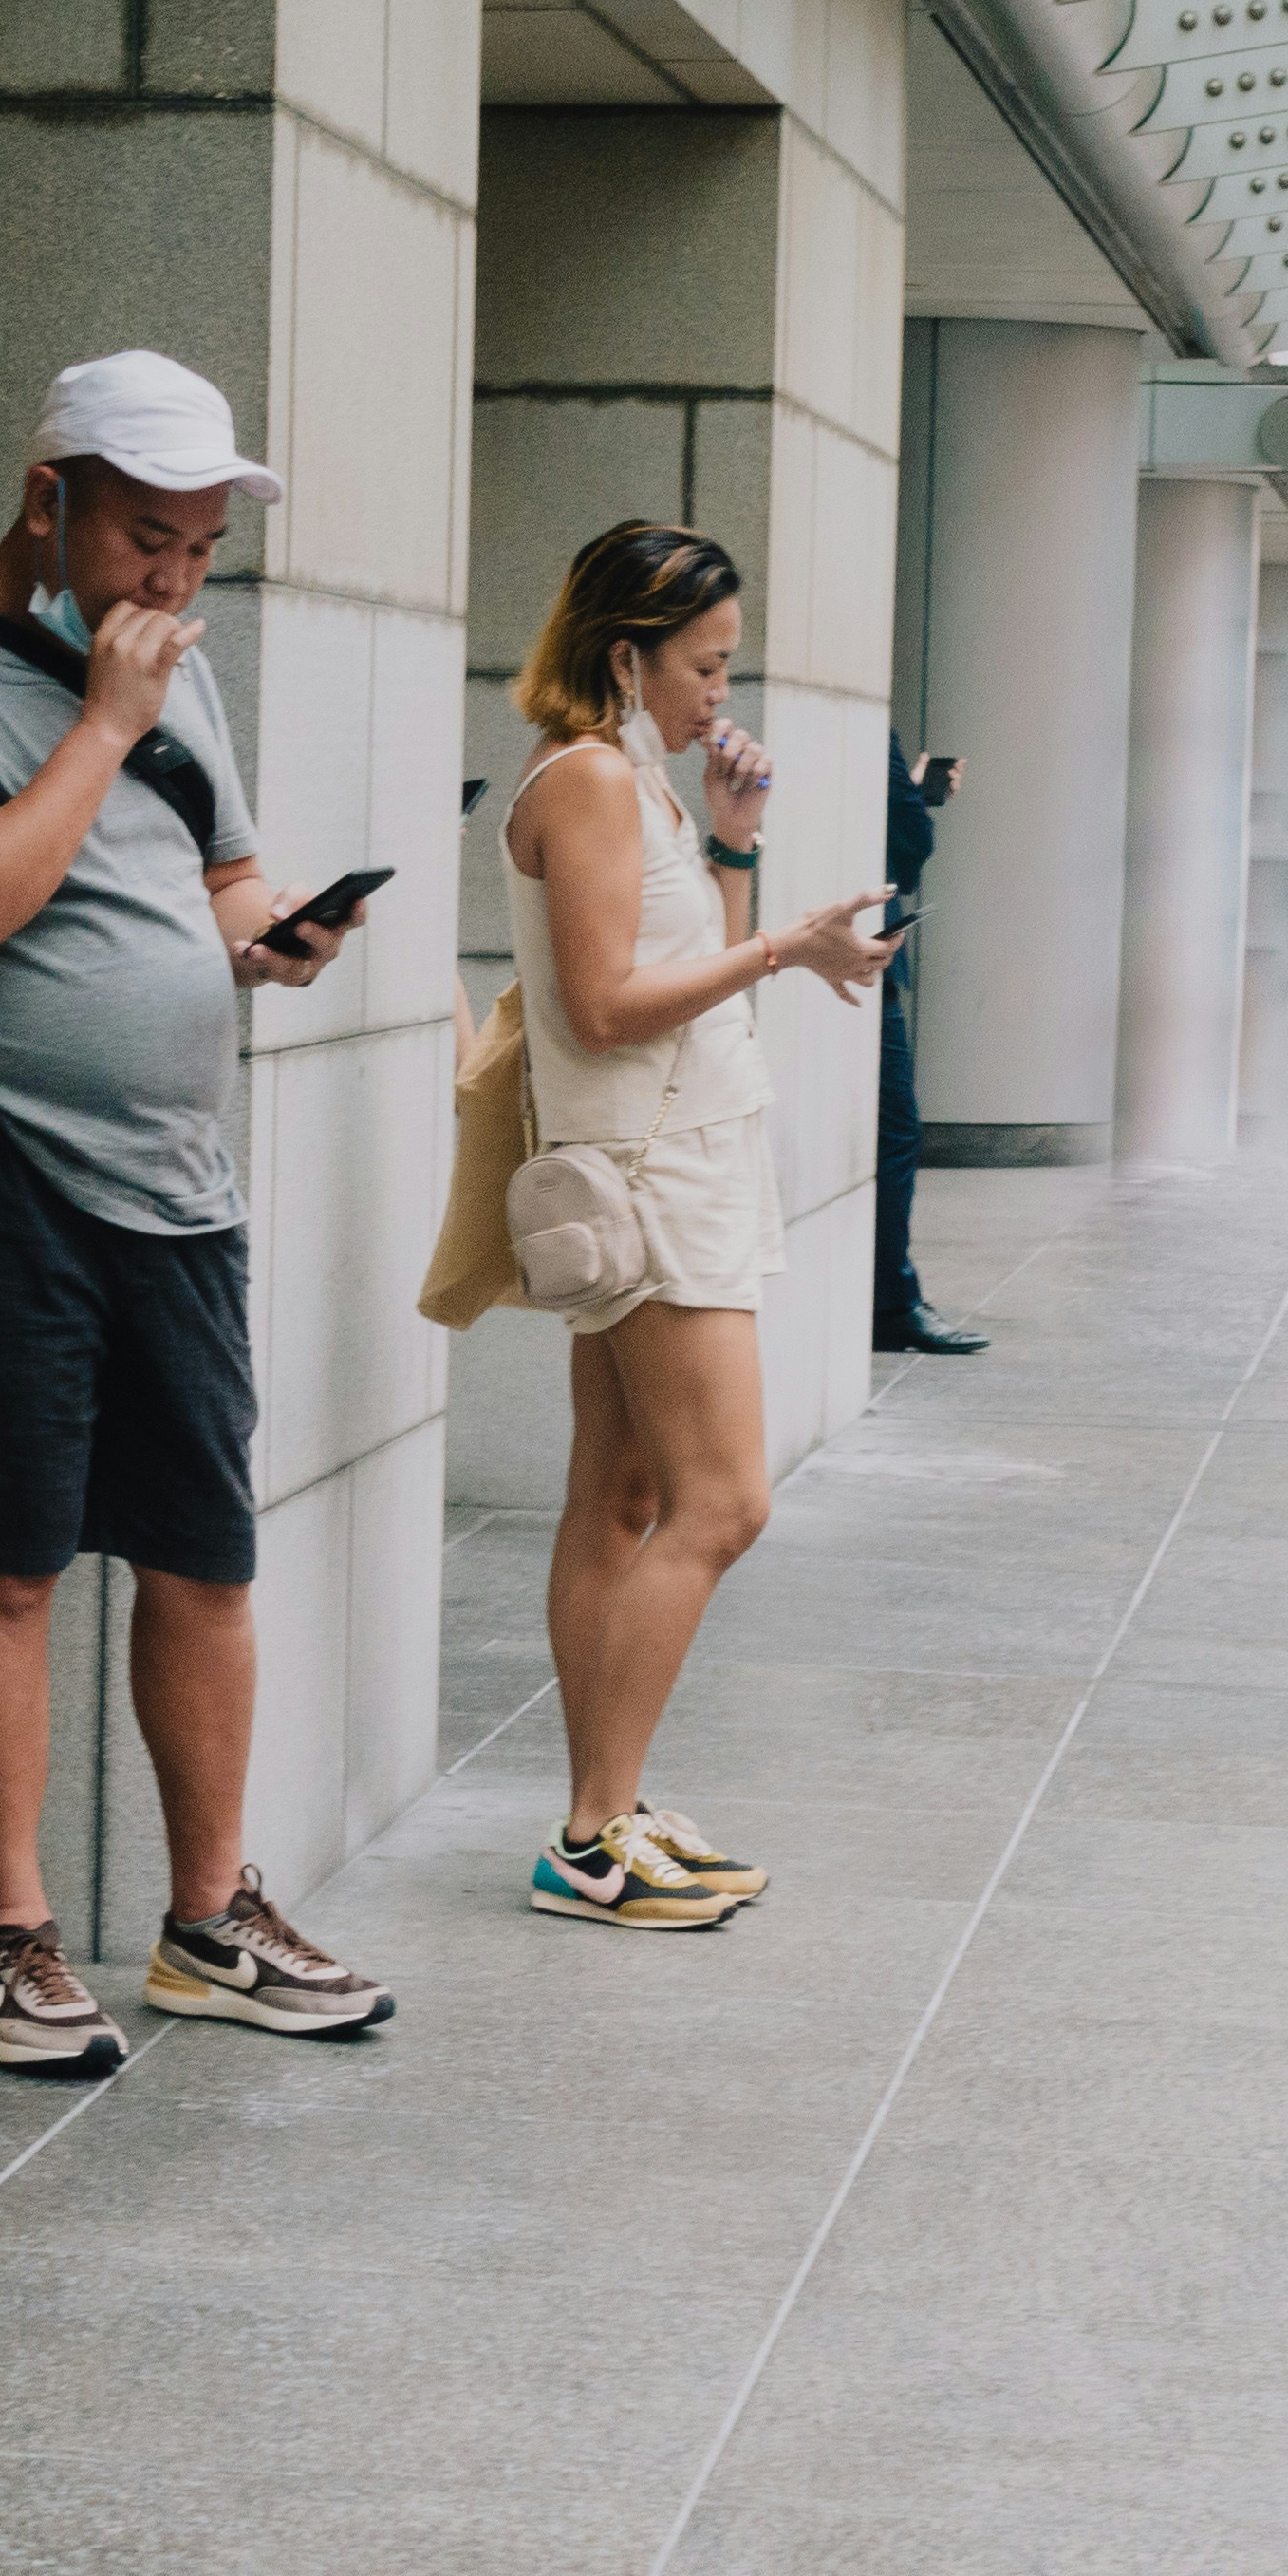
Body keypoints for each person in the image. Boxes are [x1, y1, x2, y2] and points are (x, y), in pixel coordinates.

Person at [0, 348, 394, 2074]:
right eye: (147, 538)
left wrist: (272, 928)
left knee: (201, 1558)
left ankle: (206, 1918)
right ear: (44, 497)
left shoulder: (163, 675)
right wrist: (99, 722)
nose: (171, 581)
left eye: (202, 551)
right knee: (4, 1561)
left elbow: (216, 867)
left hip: (171, 1182)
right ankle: (8, 1941)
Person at [498, 524, 903, 1929]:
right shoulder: (593, 784)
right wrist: (787, 938)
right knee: (722, 1501)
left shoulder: (636, 786)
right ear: (624, 653)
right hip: (651, 1181)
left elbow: (687, 982)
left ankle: (601, 1811)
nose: (719, 694)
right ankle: (591, 1831)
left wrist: (731, 846)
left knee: (615, 1497)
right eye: (704, 664)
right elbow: (608, 1003)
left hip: (662, 1164)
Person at [872, 739, 986, 1353]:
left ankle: (884, 1295)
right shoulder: (871, 731)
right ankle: (891, 1302)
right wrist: (920, 799)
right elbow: (909, 833)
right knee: (895, 1132)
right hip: (866, 955)